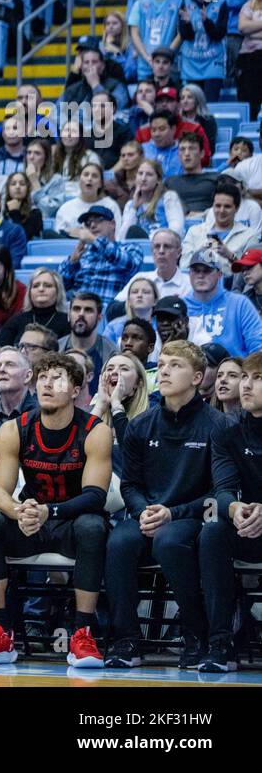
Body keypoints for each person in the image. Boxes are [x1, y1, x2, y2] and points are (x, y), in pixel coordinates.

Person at [0, 353, 113, 667]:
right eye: (42, 378)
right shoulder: (14, 429)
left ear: (76, 389)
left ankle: (82, 633)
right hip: (30, 522)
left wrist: (47, 512)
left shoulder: (95, 430)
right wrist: (18, 513)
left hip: (70, 523)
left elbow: (95, 496)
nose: (47, 384)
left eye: (58, 378)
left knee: (93, 526)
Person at [104, 341, 228, 669]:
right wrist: (142, 509)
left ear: (198, 377)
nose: (166, 371)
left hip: (195, 516)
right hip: (149, 513)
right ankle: (127, 639)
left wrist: (175, 512)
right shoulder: (142, 425)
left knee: (169, 540)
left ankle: (195, 634)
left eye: (176, 365)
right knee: (118, 540)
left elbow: (222, 490)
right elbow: (129, 483)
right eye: (162, 364)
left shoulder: (218, 425)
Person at [200, 351, 262, 672]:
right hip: (246, 525)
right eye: (247, 378)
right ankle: (220, 642)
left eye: (258, 378)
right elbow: (222, 488)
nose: (247, 386)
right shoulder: (227, 429)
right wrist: (236, 508)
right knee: (212, 528)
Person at [59, 206, 145, 307]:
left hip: (110, 313)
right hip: (79, 312)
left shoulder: (130, 248)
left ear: (113, 224)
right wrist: (72, 262)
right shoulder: (82, 254)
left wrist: (94, 240)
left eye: (98, 220)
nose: (92, 225)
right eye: (88, 223)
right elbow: (59, 288)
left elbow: (131, 265)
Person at [184, 249, 262, 357]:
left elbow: (257, 348)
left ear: (219, 274)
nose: (201, 275)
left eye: (207, 270)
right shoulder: (182, 306)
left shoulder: (239, 304)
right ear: (189, 274)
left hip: (234, 370)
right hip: (191, 371)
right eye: (196, 270)